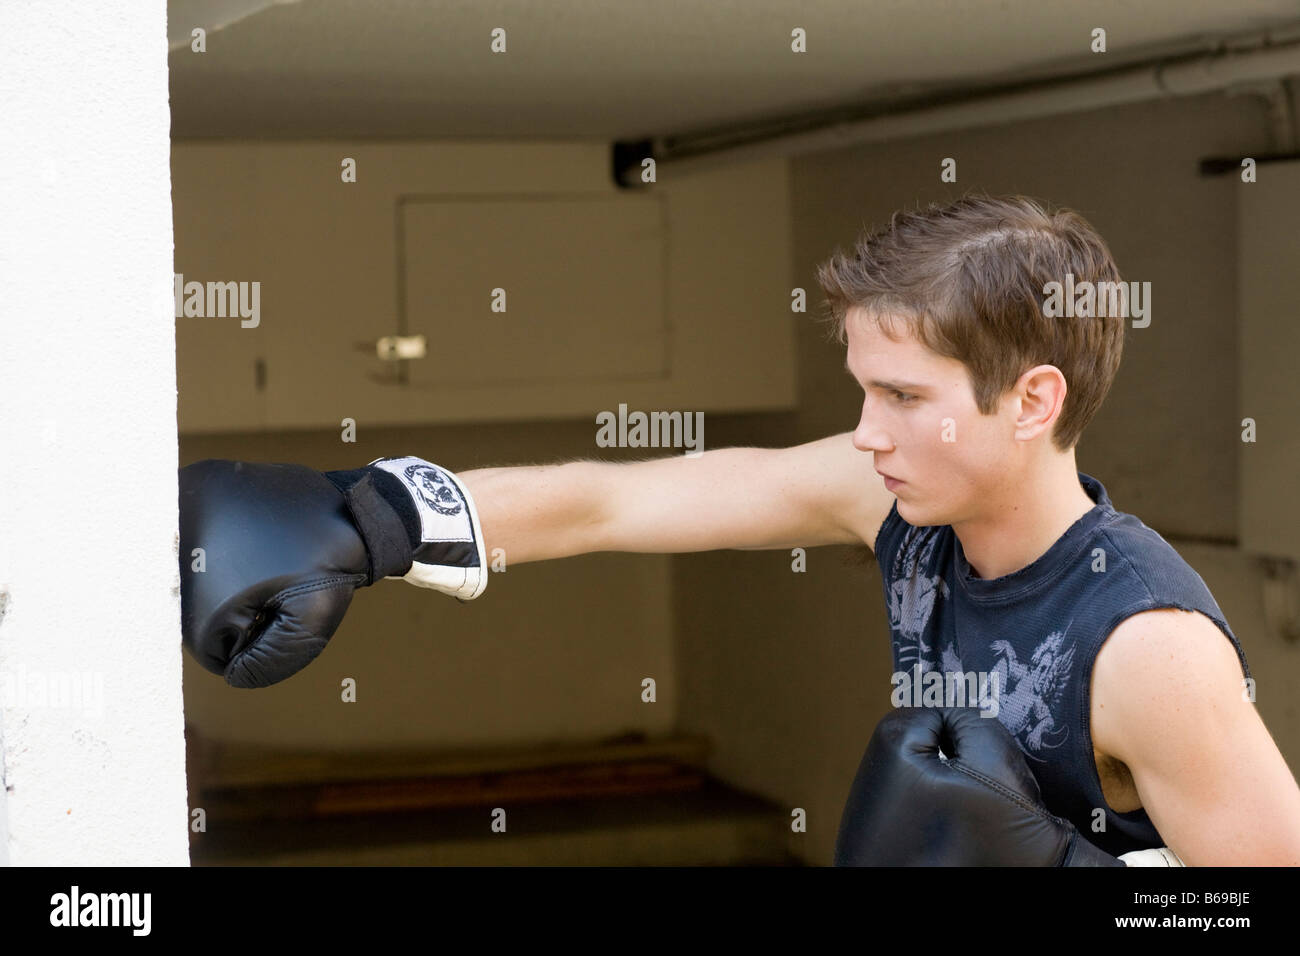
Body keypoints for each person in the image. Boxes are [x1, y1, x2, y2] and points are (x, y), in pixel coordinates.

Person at [179, 193, 1300, 865]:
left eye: (904, 396)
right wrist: (368, 518)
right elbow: (627, 499)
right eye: (862, 388)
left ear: (1034, 400)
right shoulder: (901, 504)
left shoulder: (1147, 647)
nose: (865, 431)